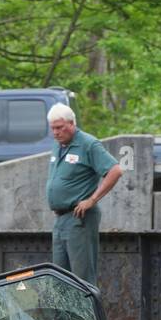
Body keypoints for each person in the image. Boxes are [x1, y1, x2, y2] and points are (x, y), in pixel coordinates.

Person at [45, 104, 122, 287]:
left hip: (79, 218)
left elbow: (115, 170)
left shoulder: (88, 144)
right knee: (59, 278)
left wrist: (92, 200)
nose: (55, 132)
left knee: (81, 279)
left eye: (59, 127)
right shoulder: (58, 147)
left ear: (71, 124)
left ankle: (86, 316)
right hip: (60, 219)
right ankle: (64, 316)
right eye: (52, 128)